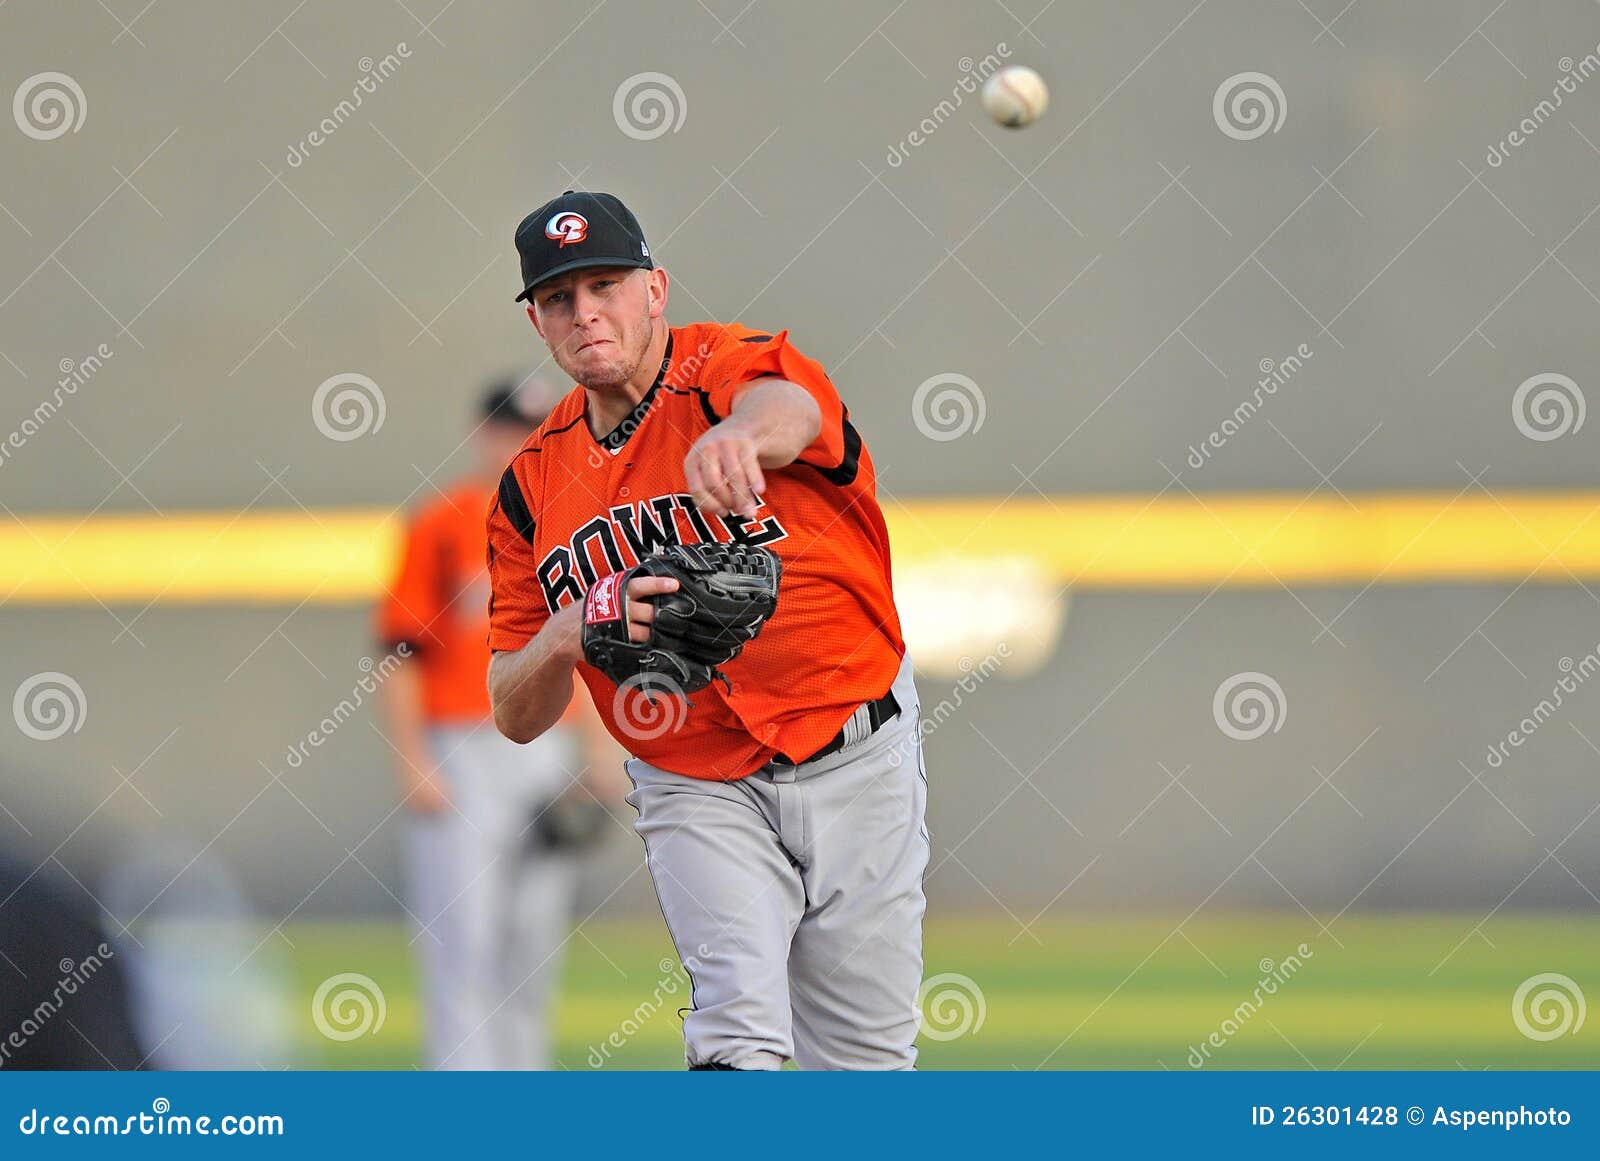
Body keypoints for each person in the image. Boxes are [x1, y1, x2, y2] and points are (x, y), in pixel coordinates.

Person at [485, 190, 930, 1071]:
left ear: (655, 289)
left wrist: (742, 435)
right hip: (692, 775)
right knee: (736, 1033)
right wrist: (566, 635)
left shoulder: (727, 365)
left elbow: (792, 408)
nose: (586, 313)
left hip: (855, 745)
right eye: (559, 300)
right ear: (538, 322)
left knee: (866, 1065)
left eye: (605, 284)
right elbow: (511, 704)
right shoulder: (530, 485)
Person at [376, 382, 622, 1070]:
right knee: (464, 939)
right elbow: (399, 653)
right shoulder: (441, 522)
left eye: (533, 428)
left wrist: (599, 756)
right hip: (461, 749)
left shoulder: (579, 525)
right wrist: (412, 760)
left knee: (534, 938)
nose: (520, 441)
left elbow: (597, 654)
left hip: (551, 750)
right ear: (481, 432)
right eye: (509, 427)